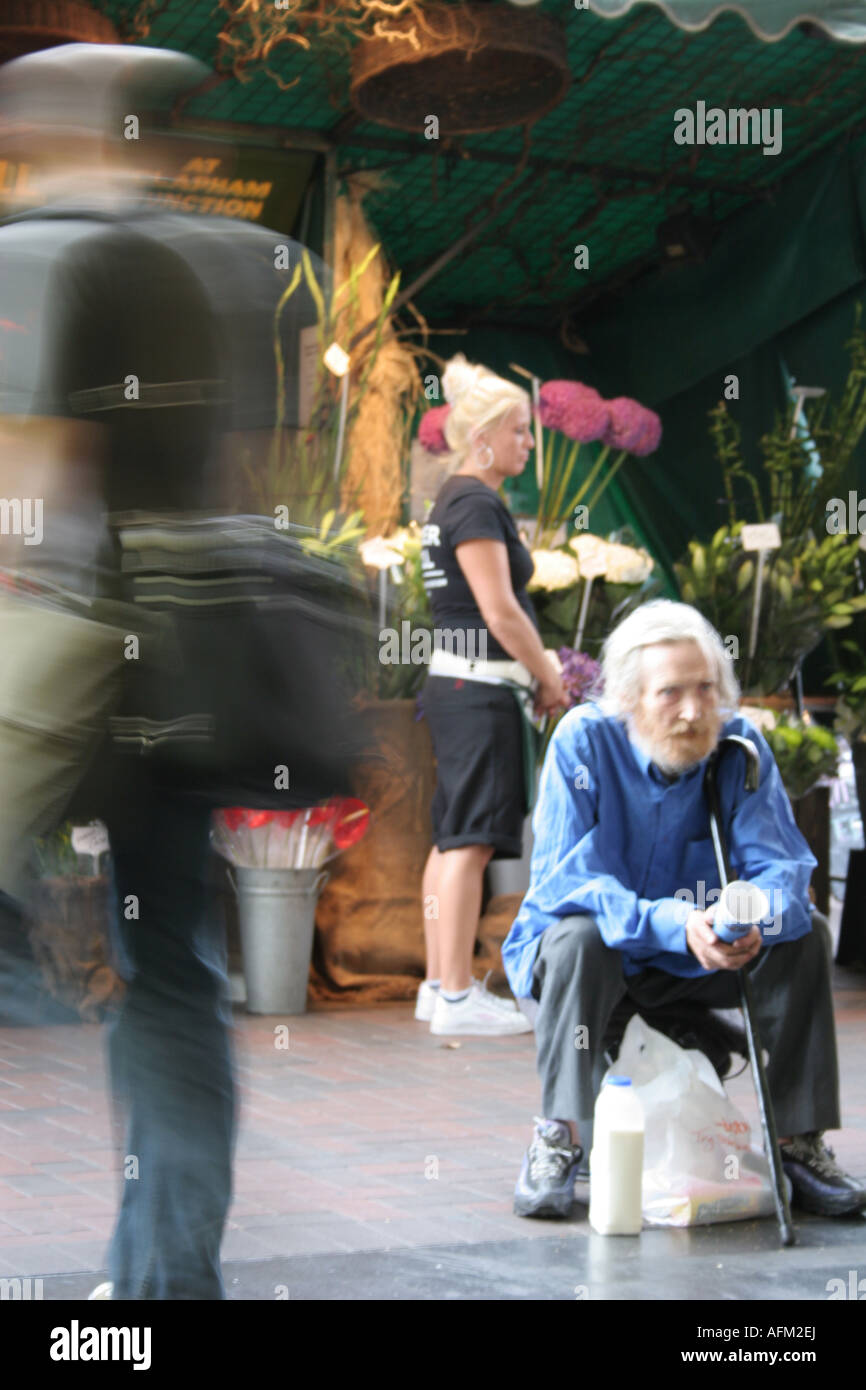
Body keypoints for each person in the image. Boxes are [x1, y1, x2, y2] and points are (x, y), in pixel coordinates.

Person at [0, 42, 360, 1299]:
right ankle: (163, 1280)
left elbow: (34, 482)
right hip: (201, 673)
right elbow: (260, 474)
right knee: (173, 973)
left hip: (78, 658)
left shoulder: (44, 257)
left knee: (139, 960)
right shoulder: (254, 264)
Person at [504, 599, 866, 1219]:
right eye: (670, 693)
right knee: (575, 938)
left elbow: (783, 868)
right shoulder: (584, 743)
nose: (694, 710)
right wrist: (677, 923)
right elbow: (567, 880)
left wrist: (749, 914)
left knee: (804, 935)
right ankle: (559, 1135)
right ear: (627, 697)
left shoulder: (740, 748)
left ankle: (796, 1143)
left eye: (705, 689)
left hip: (708, 957)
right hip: (612, 954)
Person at [417, 355, 566, 1036]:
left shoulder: (454, 497)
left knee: (452, 840)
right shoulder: (474, 501)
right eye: (520, 430)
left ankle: (434, 986)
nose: (529, 443)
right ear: (483, 438)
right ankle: (453, 996)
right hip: (476, 688)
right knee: (470, 841)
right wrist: (551, 674)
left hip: (459, 685)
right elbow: (500, 610)